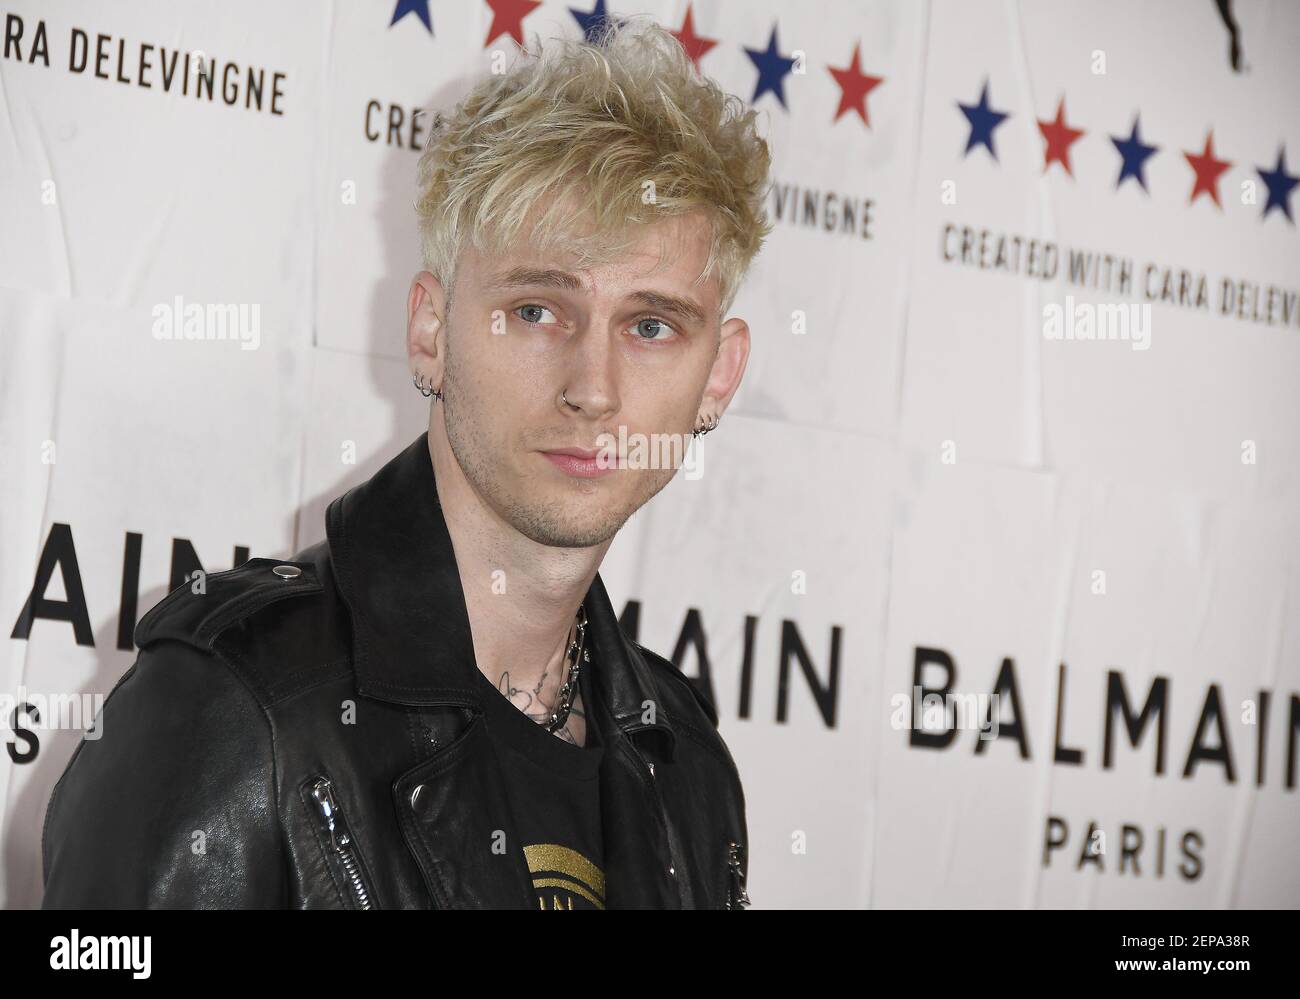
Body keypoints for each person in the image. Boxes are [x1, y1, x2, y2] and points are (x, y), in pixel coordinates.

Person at [41, 15, 771, 910]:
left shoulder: (685, 757)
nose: (594, 388)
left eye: (651, 325)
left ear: (718, 376)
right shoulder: (239, 705)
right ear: (430, 330)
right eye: (537, 310)